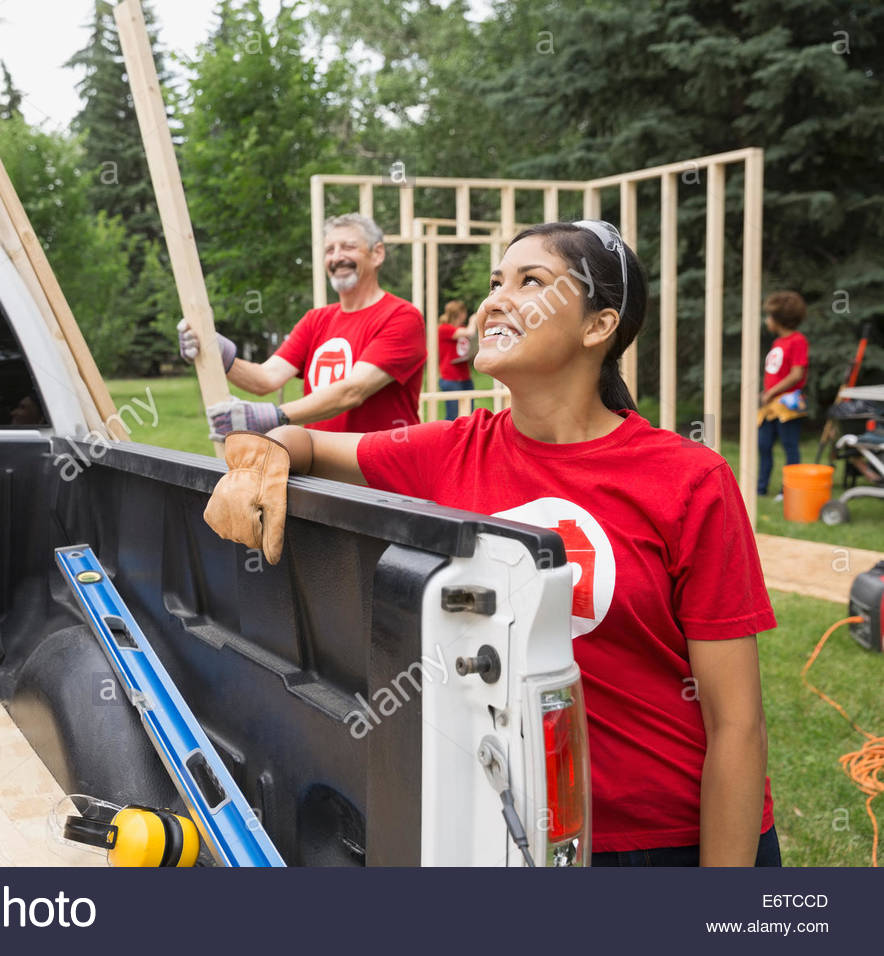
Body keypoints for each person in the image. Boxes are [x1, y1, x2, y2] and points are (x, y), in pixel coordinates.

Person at [203, 220, 780, 866]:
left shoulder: (688, 479)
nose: (494, 301)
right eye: (494, 282)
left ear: (598, 327)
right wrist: (260, 458)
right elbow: (310, 443)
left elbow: (737, 724)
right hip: (510, 829)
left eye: (530, 281)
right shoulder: (452, 448)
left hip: (667, 841)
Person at [178, 213, 425, 437]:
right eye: (329, 250)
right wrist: (217, 351)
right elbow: (265, 379)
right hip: (322, 474)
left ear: (377, 254)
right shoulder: (316, 320)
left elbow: (354, 390)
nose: (337, 257)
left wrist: (273, 417)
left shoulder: (402, 317)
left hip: (379, 477)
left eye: (348, 247)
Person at [757, 291, 810, 499]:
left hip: (788, 405)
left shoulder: (798, 341)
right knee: (763, 444)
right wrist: (767, 392)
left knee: (789, 446)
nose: (766, 320)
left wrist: (772, 392)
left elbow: (797, 373)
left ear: (779, 320)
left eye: (769, 316)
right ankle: (760, 488)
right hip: (770, 404)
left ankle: (789, 490)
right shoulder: (778, 342)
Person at [437, 299, 475, 419]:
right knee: (453, 417)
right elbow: (469, 332)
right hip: (450, 378)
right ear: (460, 313)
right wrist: (474, 319)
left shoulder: (461, 328)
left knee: (468, 416)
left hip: (464, 377)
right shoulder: (444, 329)